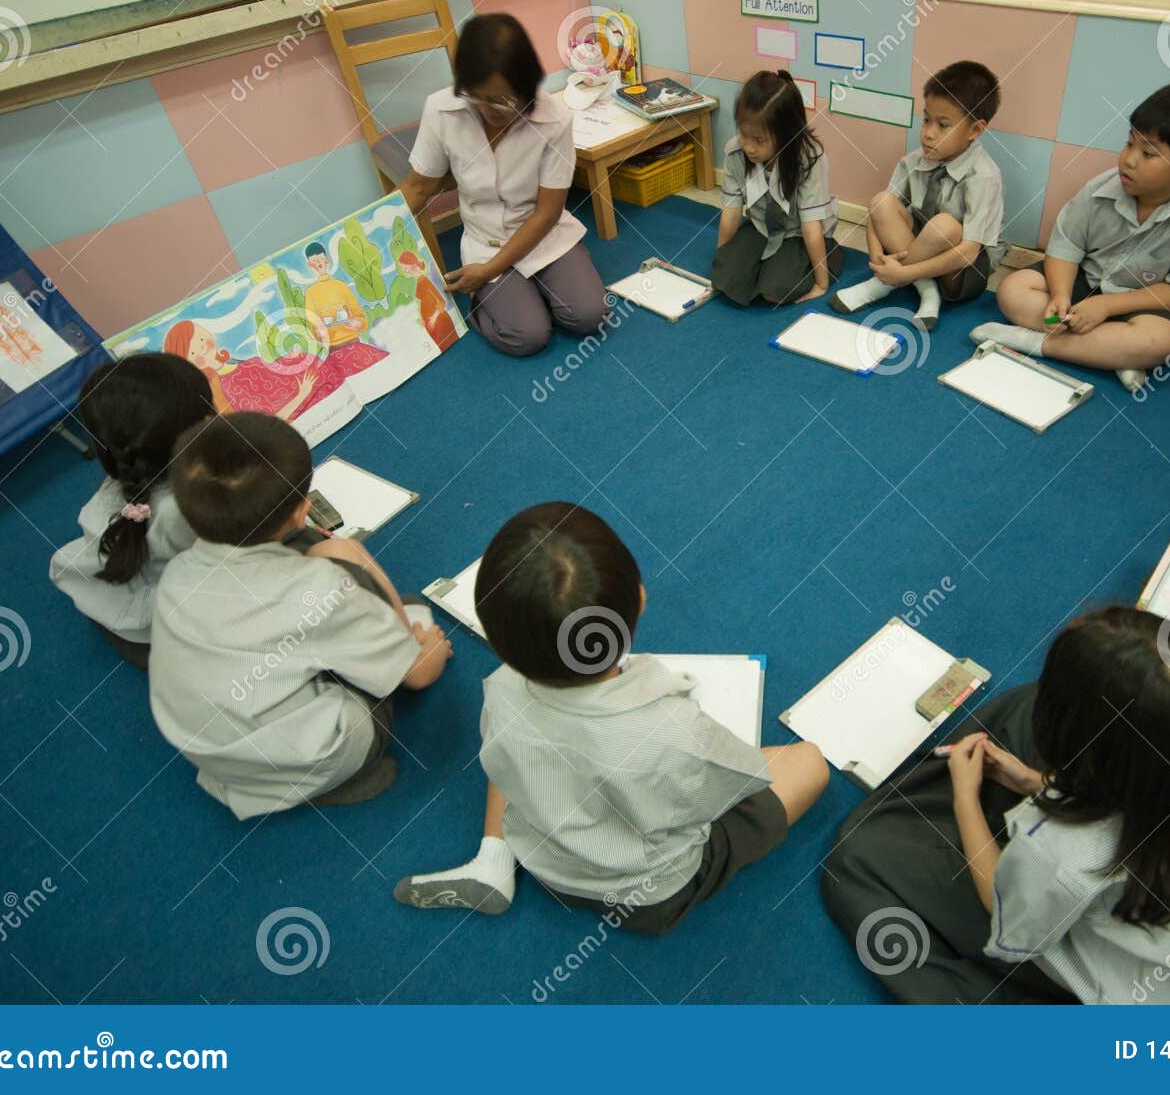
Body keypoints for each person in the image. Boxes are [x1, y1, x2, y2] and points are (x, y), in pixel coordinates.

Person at [393, 502, 829, 933]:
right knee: (808, 763)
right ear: (639, 598)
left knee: (518, 746)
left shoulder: (500, 687)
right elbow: (730, 784)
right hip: (644, 897)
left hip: (545, 859)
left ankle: (495, 856)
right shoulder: (674, 734)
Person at [822, 607, 1170, 1003]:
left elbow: (1001, 907)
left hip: (1107, 986)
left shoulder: (1060, 853)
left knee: (857, 857)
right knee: (1021, 710)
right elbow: (1142, 800)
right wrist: (1033, 782)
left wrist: (964, 798)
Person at [150, 413, 452, 818]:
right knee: (343, 555)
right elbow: (416, 674)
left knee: (316, 564)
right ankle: (340, 776)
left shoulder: (175, 574)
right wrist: (426, 651)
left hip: (209, 750)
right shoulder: (322, 591)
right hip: (308, 757)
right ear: (301, 510)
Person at [972, 78, 1170, 392]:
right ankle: (1109, 354)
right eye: (1130, 143)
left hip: (1149, 305)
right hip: (1087, 283)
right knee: (1012, 289)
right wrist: (1060, 295)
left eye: (1148, 153)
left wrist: (1107, 307)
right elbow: (1066, 246)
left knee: (1156, 342)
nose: (1129, 159)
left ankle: (1035, 342)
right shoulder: (1102, 186)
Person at [397, 13, 608, 357]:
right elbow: (418, 187)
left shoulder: (555, 119)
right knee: (527, 336)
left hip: (542, 233)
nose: (493, 110)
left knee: (591, 317)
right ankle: (499, 303)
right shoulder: (441, 110)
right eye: (481, 98)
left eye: (505, 100)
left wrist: (489, 272)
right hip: (486, 239)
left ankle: (529, 290)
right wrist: (370, 236)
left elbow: (547, 213)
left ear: (527, 85)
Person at [48, 354, 214, 668]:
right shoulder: (183, 510)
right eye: (207, 414)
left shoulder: (133, 478)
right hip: (158, 612)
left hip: (126, 571)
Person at [828, 60, 1003, 331]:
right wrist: (878, 259)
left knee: (944, 225)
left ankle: (886, 285)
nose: (928, 134)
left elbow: (968, 253)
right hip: (916, 249)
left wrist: (901, 274)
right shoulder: (914, 161)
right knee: (881, 201)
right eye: (926, 120)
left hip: (960, 272)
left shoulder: (984, 176)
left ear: (975, 130)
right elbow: (877, 215)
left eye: (943, 125)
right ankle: (926, 291)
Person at [710, 70, 842, 307]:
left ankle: (831, 253)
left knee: (774, 292)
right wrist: (722, 259)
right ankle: (765, 267)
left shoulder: (809, 159)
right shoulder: (735, 152)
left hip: (797, 232)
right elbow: (731, 213)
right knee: (726, 281)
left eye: (759, 140)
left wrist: (821, 284)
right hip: (761, 227)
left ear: (786, 134)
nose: (749, 147)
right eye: (743, 134)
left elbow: (810, 226)